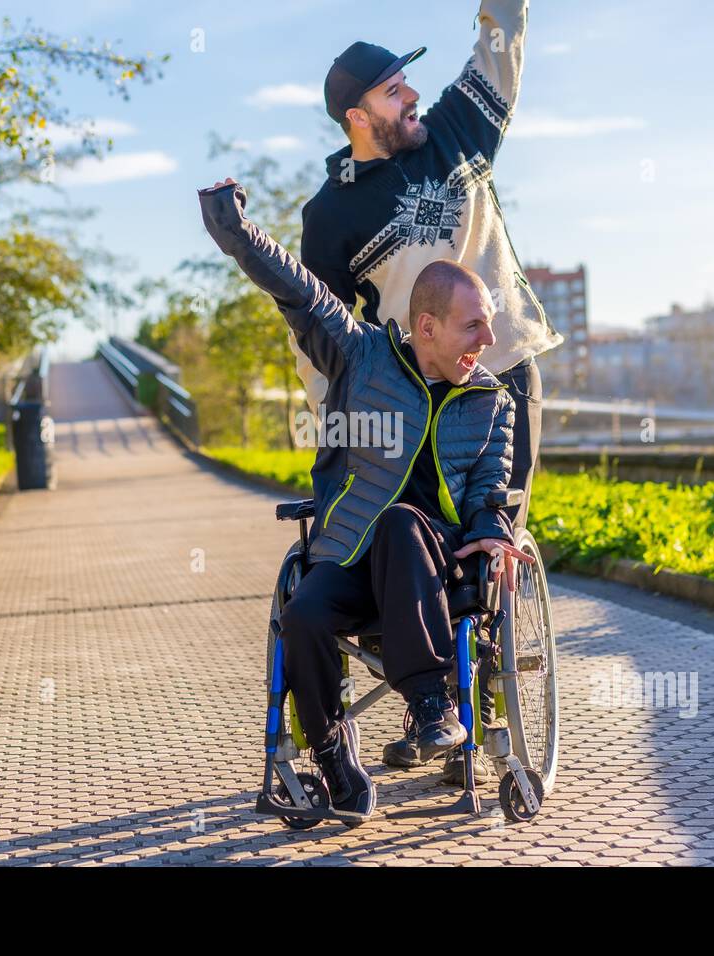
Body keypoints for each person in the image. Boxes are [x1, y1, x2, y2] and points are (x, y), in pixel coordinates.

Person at [199, 178, 534, 822]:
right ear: (427, 326)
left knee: (404, 523)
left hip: (440, 565)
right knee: (303, 615)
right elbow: (299, 291)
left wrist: (495, 525)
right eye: (474, 327)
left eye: (489, 325)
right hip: (352, 554)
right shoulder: (363, 358)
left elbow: (493, 484)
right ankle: (332, 758)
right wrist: (235, 233)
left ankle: (433, 704)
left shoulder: (492, 400)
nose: (487, 341)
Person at [296, 0, 556, 781]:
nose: (411, 95)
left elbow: (497, 59)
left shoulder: (452, 133)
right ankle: (432, 701)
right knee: (405, 531)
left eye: (409, 83)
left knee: (487, 549)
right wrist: (339, 428)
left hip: (502, 374)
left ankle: (484, 726)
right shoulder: (330, 216)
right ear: (356, 115)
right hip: (406, 398)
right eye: (393, 89)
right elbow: (320, 340)